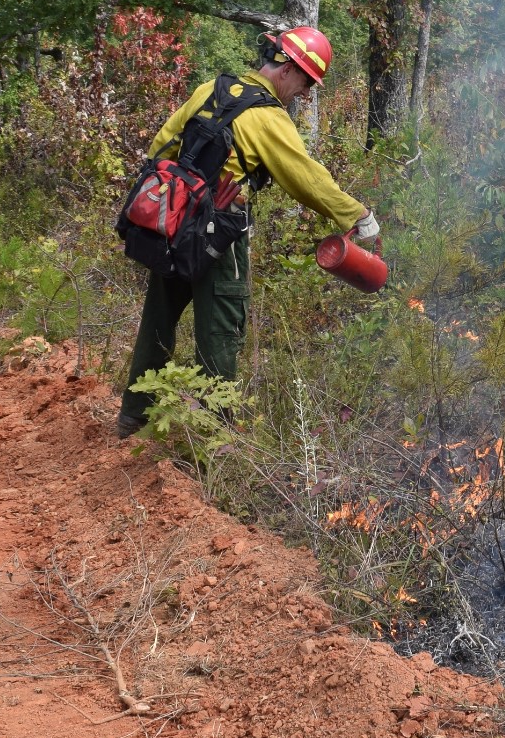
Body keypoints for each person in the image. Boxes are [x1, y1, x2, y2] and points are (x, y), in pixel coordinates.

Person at [116, 26, 378, 437]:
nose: (305, 92)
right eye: (307, 82)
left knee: (158, 320)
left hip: (173, 227)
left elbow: (160, 148)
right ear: (288, 68)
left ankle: (133, 417)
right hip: (218, 235)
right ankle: (215, 439)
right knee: (221, 329)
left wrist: (182, 198)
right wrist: (357, 216)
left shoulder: (211, 88)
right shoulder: (267, 117)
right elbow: (307, 180)